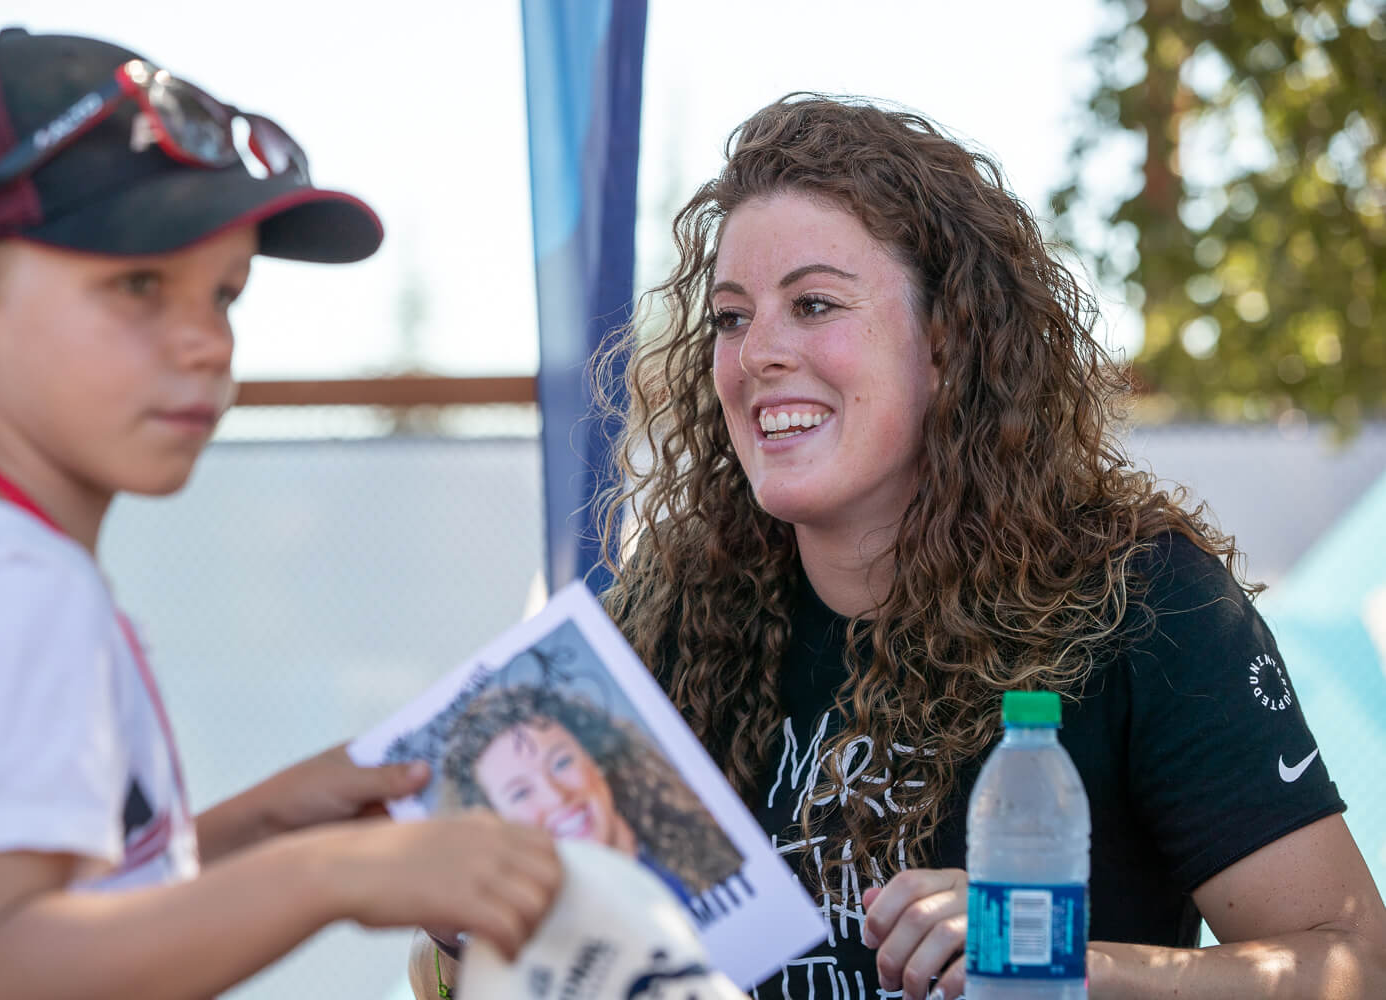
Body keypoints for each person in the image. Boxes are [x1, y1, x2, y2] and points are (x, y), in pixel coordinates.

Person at [591, 93, 1386, 1000]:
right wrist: (476, 915)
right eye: (730, 317)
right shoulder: (670, 611)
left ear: (946, 343)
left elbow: (1354, 965)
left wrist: (1057, 960)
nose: (756, 354)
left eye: (813, 304)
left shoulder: (1142, 601)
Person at [0, 29, 561, 1000]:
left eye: (226, 293)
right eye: (139, 283)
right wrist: (332, 875)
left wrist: (272, 821)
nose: (208, 341)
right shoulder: (15, 590)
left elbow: (77, 906)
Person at [438, 684, 743, 901]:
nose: (556, 796)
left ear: (596, 758)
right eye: (520, 793)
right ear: (496, 821)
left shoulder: (718, 842)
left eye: (561, 763)